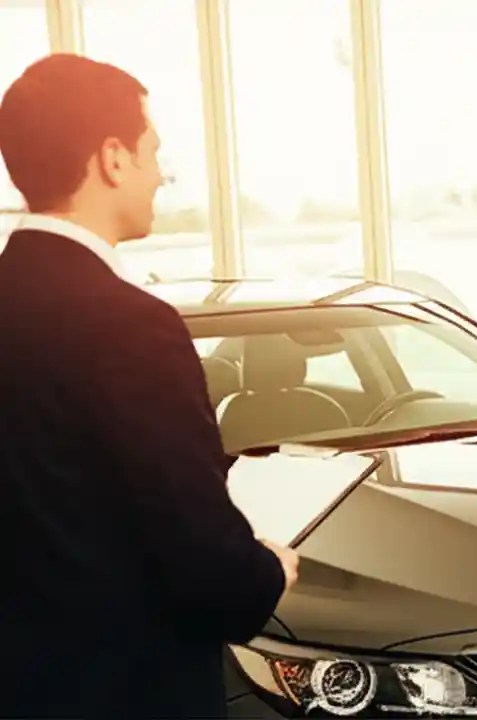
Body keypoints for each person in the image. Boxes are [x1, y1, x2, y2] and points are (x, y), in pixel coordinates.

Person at [0, 54, 298, 718]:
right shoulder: (132, 327)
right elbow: (205, 568)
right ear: (112, 159)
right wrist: (271, 568)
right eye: (152, 151)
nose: (161, 174)